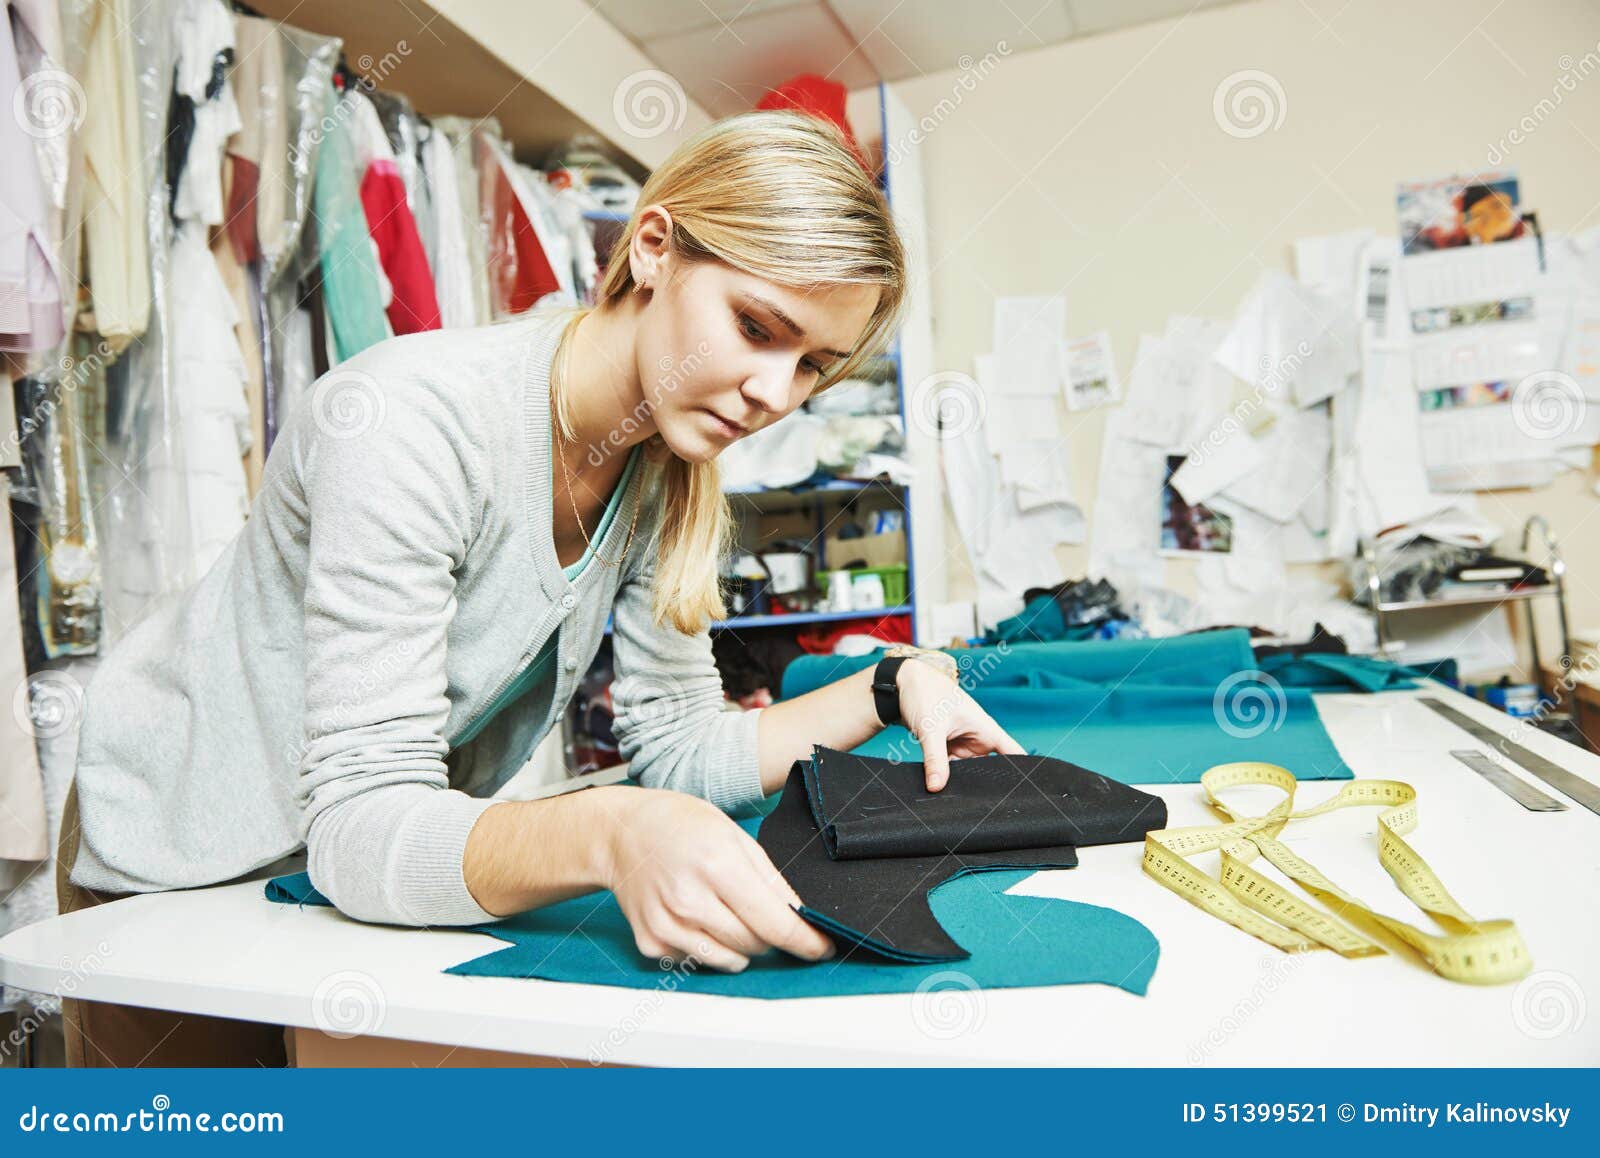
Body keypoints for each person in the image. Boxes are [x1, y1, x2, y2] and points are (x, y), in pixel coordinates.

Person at [56, 110, 1025, 1066]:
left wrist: (894, 683)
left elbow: (680, 748)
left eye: (813, 363)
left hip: (343, 870)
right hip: (176, 863)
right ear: (653, 246)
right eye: (756, 327)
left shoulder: (662, 472)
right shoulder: (409, 420)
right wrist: (611, 831)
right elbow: (358, 823)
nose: (777, 393)